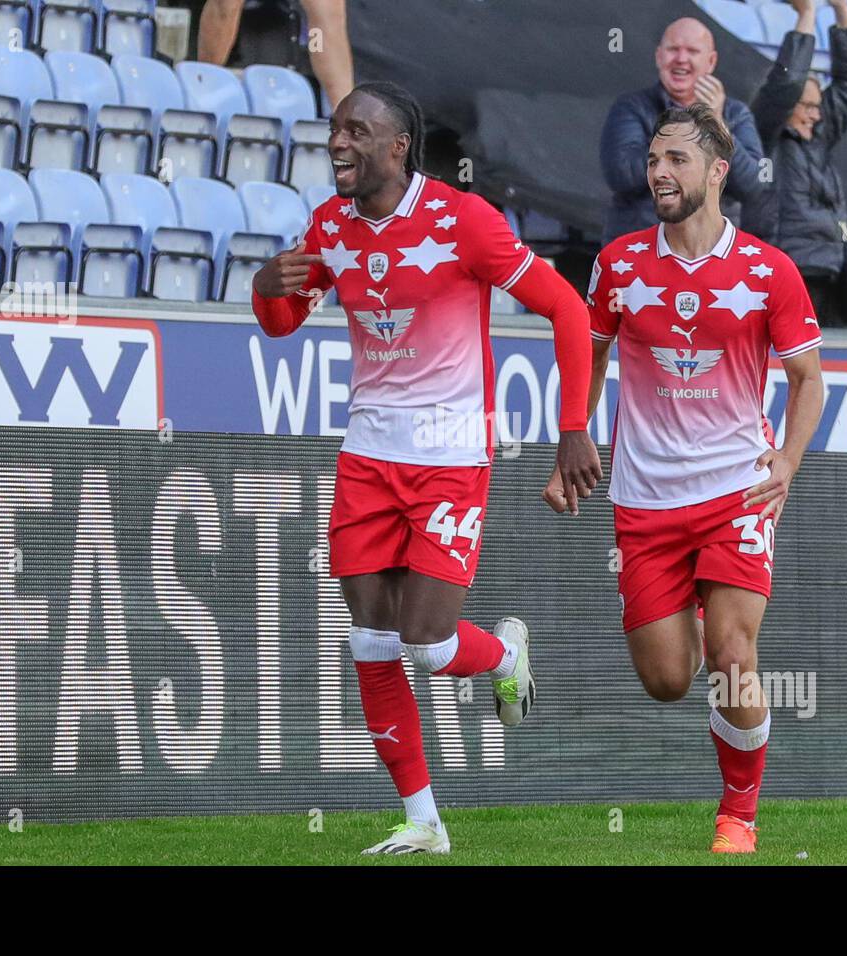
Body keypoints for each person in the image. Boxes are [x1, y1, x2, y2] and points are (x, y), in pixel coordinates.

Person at [252, 81, 602, 855]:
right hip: (367, 458)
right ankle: (423, 821)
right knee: (370, 641)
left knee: (430, 644)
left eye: (356, 131)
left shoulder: (463, 221)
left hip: (448, 456)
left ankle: (505, 654)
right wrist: (262, 289)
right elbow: (281, 323)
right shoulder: (329, 227)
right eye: (335, 129)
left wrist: (572, 428)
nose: (338, 142)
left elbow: (568, 309)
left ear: (397, 146)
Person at [546, 104, 824, 854]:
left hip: (738, 489)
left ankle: (739, 813)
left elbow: (808, 380)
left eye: (675, 160)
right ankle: (696, 611)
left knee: (734, 656)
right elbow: (590, 350)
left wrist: (788, 462)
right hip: (645, 501)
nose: (659, 173)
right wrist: (573, 432)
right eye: (653, 161)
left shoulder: (770, 271)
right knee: (668, 680)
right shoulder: (620, 263)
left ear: (717, 172)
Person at [599, 17, 773, 246]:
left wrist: (716, 122)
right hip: (642, 251)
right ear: (659, 56)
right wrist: (681, 131)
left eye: (692, 51)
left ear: (711, 62)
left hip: (710, 250)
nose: (681, 59)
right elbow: (621, 176)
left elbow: (753, 186)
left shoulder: (735, 113)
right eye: (673, 49)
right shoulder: (632, 106)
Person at [750, 0, 847, 328]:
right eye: (808, 106)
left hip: (829, 273)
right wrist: (807, 15)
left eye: (819, 107)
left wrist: (842, 11)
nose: (817, 115)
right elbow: (786, 84)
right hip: (786, 273)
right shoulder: (764, 133)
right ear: (787, 106)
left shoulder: (817, 138)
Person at [199, 0, 354, 110]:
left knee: (323, 13)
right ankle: (202, 86)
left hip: (315, 39)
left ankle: (343, 111)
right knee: (227, 4)